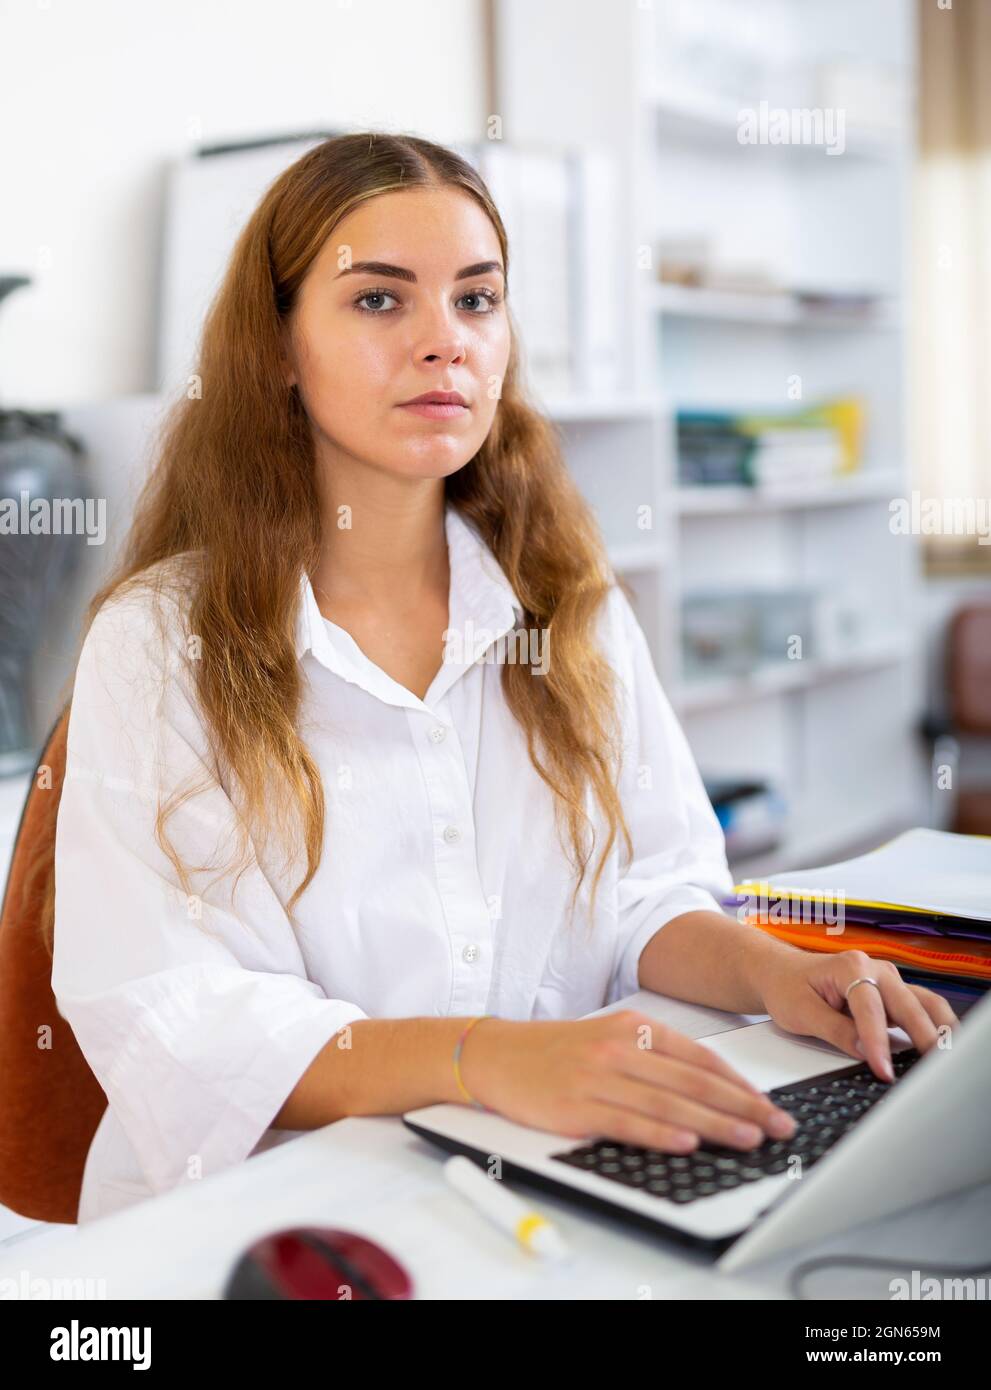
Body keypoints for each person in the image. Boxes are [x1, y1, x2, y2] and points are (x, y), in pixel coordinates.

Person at [51, 133, 957, 1222]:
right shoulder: (161, 642)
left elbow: (642, 890)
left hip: (537, 1176)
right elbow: (181, 1016)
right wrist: (489, 1058)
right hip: (272, 1214)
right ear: (278, 346)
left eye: (476, 300)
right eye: (380, 302)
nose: (445, 343)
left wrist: (770, 972)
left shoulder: (564, 604)